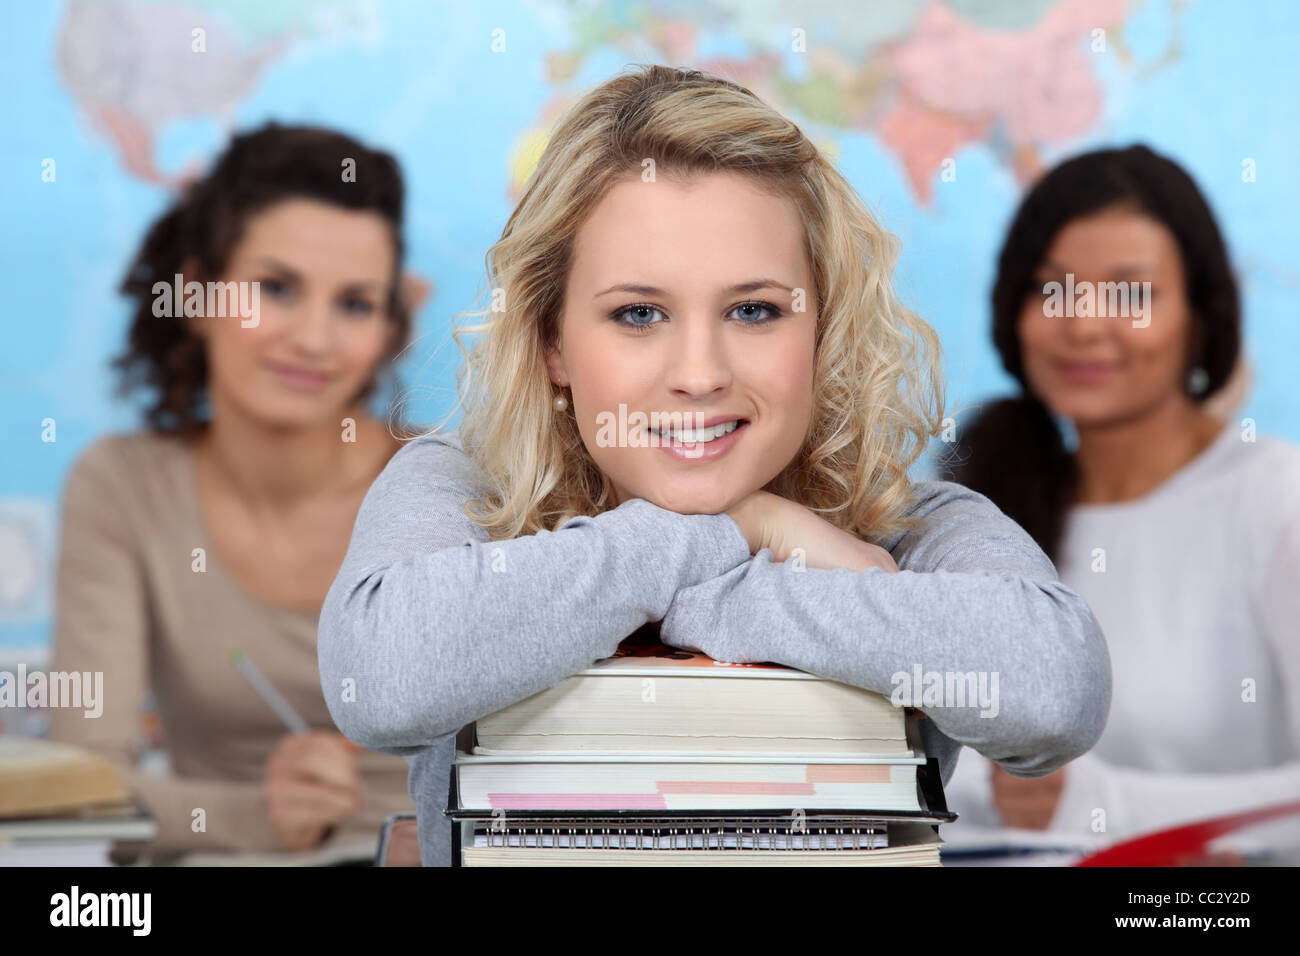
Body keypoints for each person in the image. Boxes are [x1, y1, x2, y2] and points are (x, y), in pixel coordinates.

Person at [317, 64, 1113, 866]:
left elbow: (1054, 696)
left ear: (821, 331)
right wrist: (728, 532)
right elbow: (381, 683)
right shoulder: (461, 490)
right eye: (638, 313)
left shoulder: (911, 526)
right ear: (553, 341)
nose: (699, 373)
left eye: (753, 311)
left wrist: (739, 571)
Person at [49, 123, 425, 860]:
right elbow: (82, 785)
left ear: (387, 330)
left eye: (354, 304)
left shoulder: (449, 482)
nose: (314, 339)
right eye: (276, 288)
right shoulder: (122, 485)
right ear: (196, 296)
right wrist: (258, 815)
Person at [939, 144, 1300, 847]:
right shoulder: (979, 505)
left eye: (1131, 293)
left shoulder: (1275, 501)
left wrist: (1098, 805)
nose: (1083, 324)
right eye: (1053, 289)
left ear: (1200, 315)